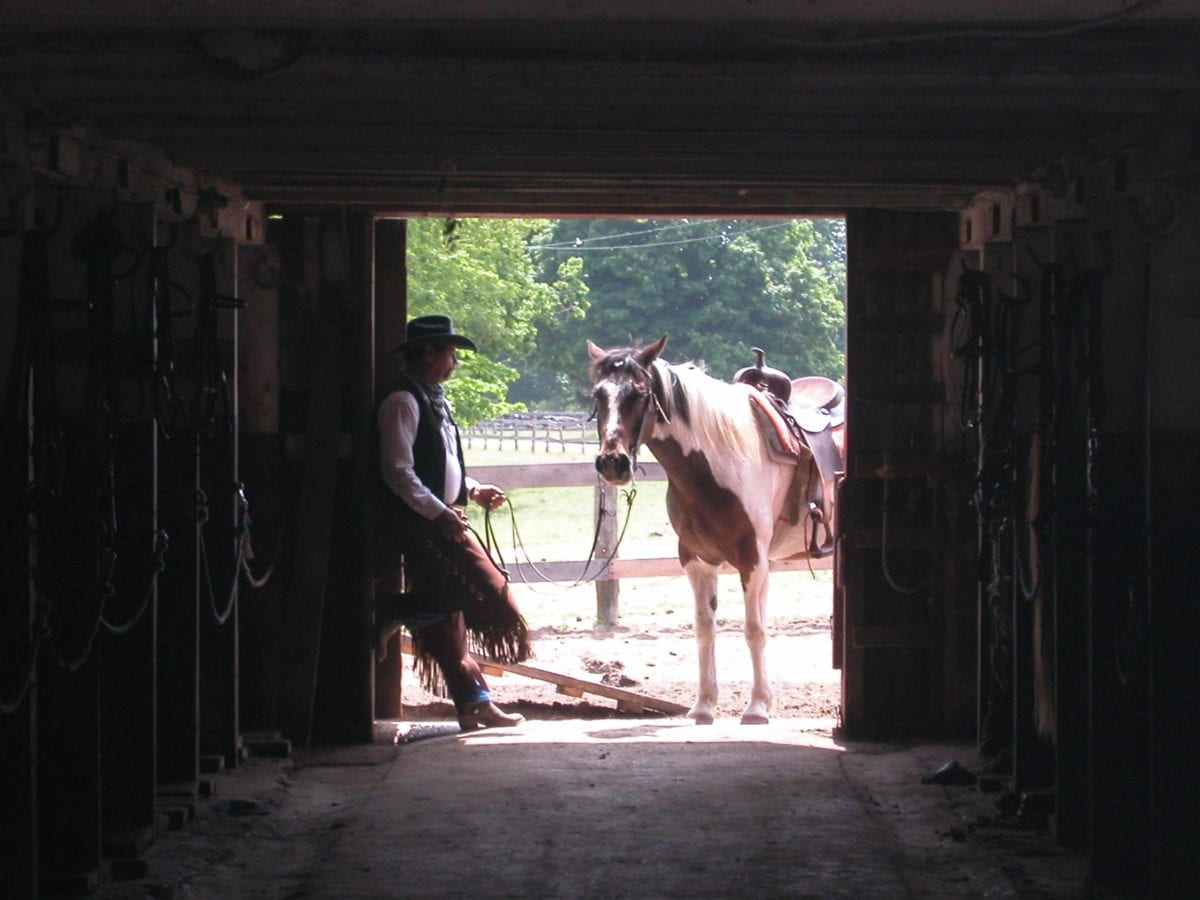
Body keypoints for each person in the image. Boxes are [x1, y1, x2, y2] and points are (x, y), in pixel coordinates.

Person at [374, 314, 531, 730]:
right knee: (486, 591)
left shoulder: (431, 400)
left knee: (448, 620)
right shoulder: (402, 402)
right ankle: (396, 609)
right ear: (429, 354)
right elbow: (398, 472)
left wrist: (472, 489)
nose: (454, 363)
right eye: (450, 354)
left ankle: (474, 702)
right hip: (419, 523)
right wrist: (440, 513)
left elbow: (439, 465)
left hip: (438, 517)